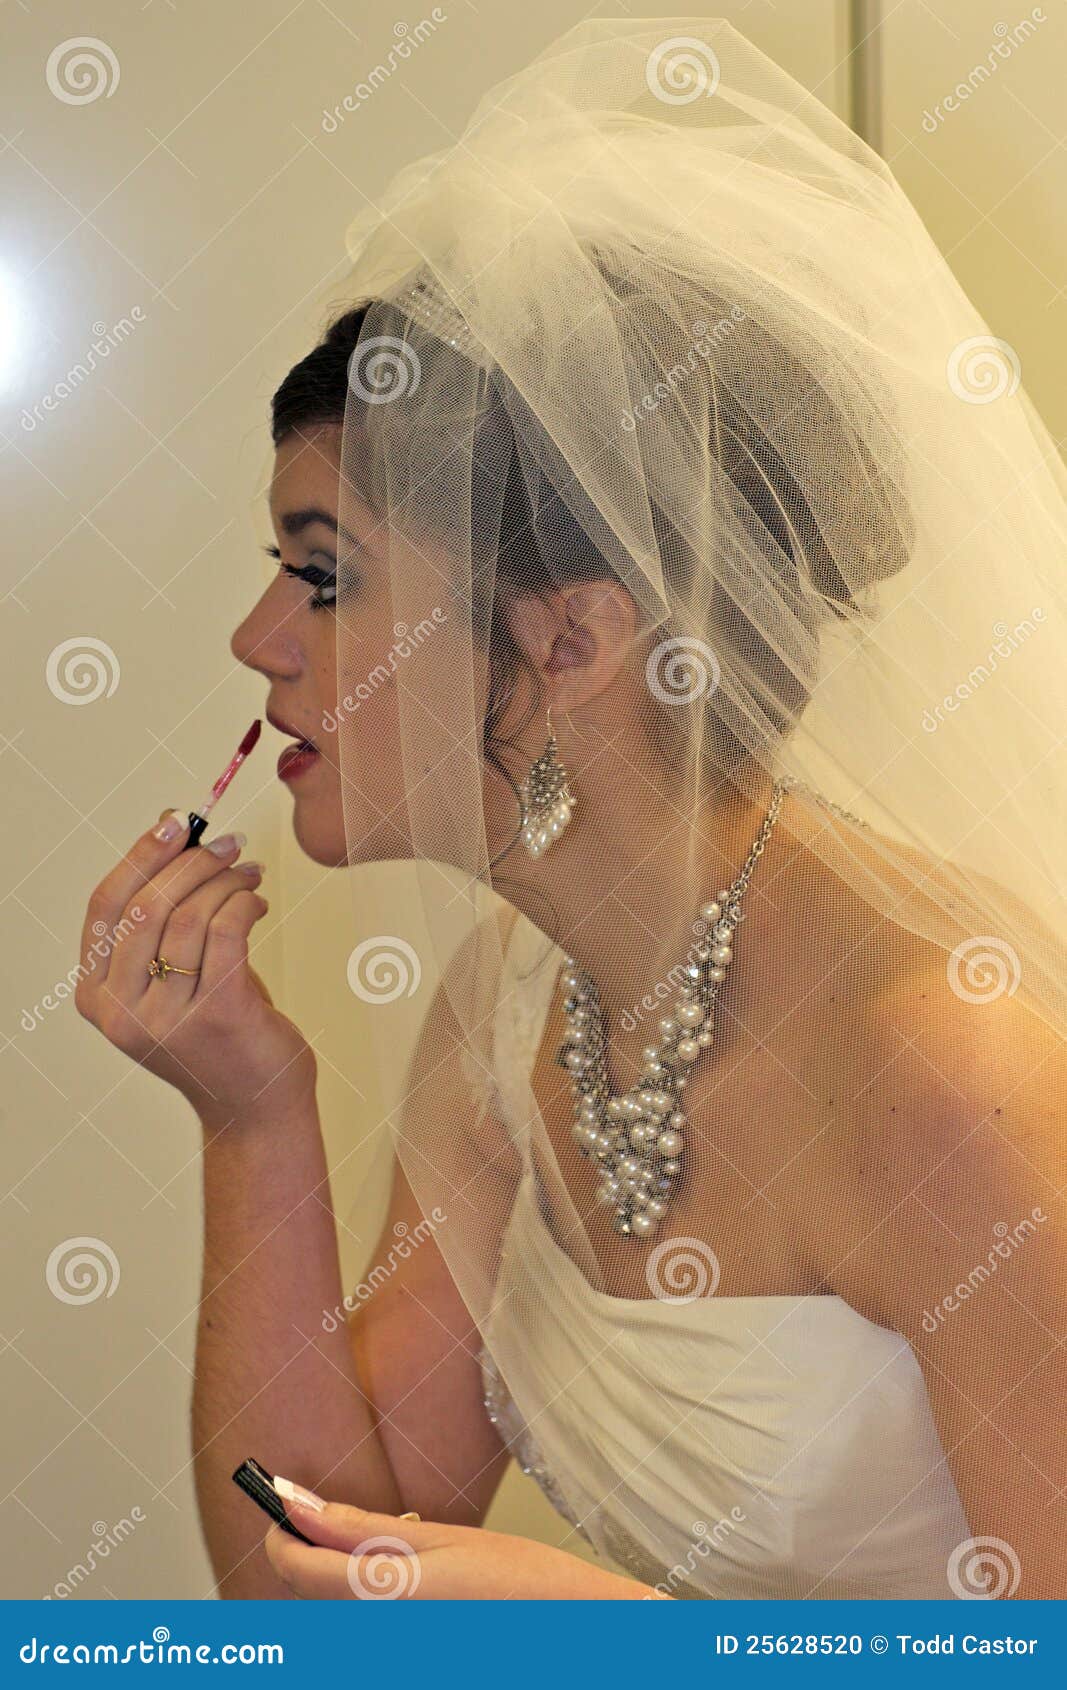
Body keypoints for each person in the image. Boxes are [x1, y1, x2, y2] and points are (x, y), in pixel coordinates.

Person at [77, 19, 1067, 1599]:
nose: (261, 641)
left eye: (326, 577)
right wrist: (250, 1121)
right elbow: (305, 1591)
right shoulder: (507, 1009)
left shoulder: (946, 1060)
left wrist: (607, 1631)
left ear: (576, 637)